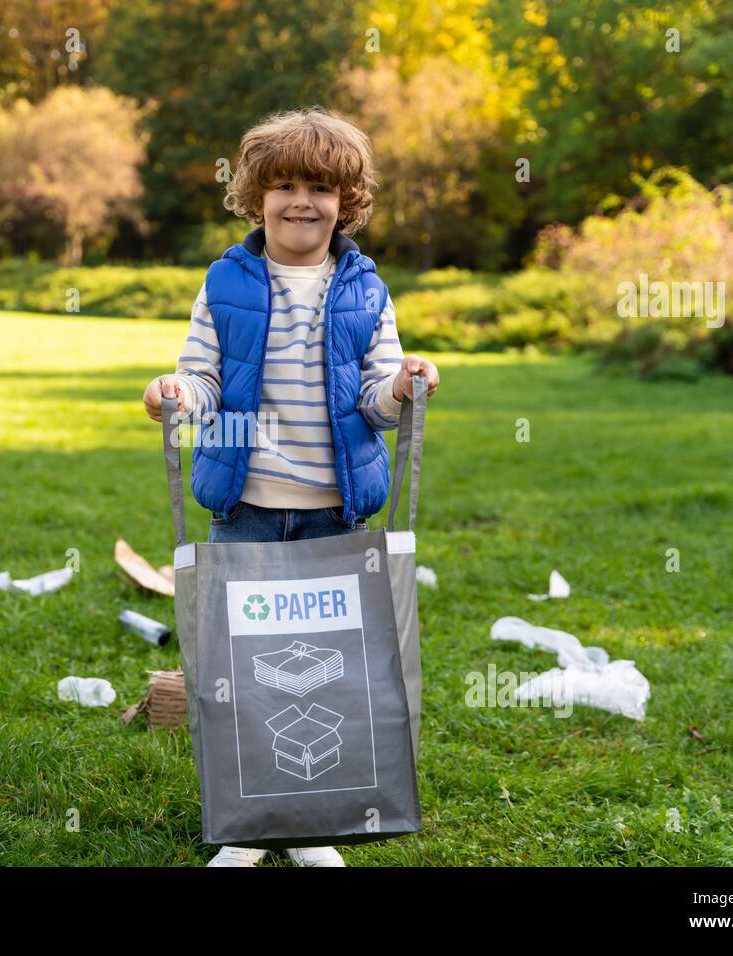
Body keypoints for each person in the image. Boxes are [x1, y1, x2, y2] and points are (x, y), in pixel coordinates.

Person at [142, 107, 438, 867]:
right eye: (283, 185)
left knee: (328, 673)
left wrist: (402, 388)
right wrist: (178, 392)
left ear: (348, 202)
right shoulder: (226, 281)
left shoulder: (367, 289)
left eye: (319, 187)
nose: (300, 201)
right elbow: (204, 376)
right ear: (253, 195)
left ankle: (309, 831)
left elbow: (375, 396)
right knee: (240, 674)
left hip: (332, 514)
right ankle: (245, 830)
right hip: (244, 510)